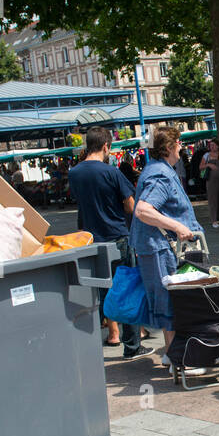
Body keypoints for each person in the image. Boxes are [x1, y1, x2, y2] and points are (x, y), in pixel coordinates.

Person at [68, 127, 148, 359]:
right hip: (118, 236)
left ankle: (112, 333)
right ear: (106, 146)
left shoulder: (74, 173)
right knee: (127, 289)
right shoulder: (111, 172)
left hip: (90, 239)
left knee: (104, 291)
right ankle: (132, 345)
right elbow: (131, 206)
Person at [130, 126, 204, 369]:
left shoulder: (157, 170)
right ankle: (178, 357)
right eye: (179, 143)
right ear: (170, 147)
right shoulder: (160, 174)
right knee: (172, 301)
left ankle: (173, 352)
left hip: (158, 246)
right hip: (162, 247)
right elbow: (143, 210)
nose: (182, 147)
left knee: (169, 300)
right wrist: (177, 226)